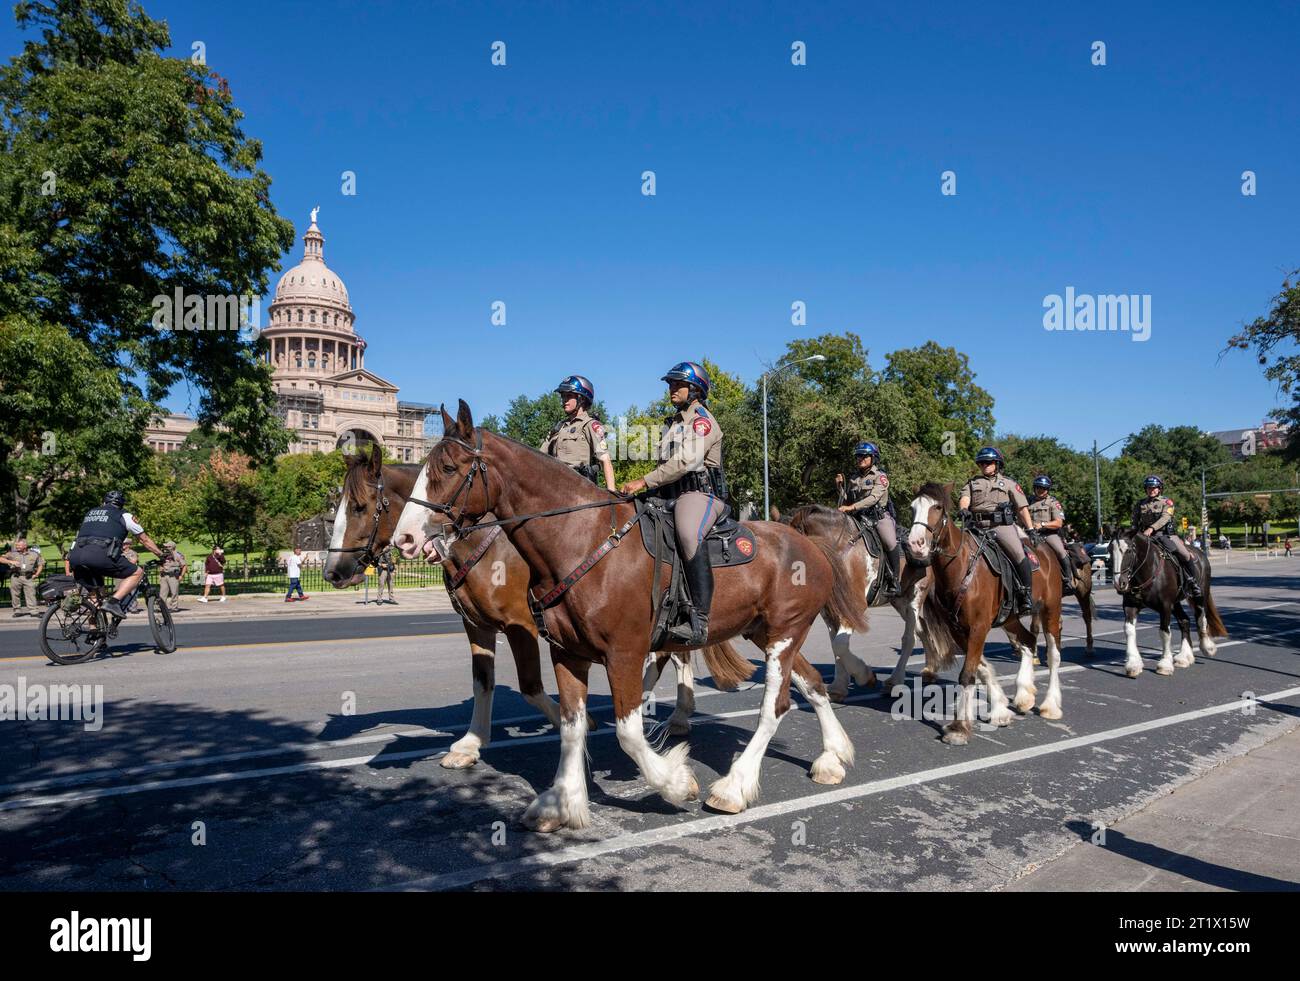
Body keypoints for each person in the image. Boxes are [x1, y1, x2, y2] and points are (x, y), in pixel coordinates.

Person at [621, 361, 726, 645]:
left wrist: (643, 481)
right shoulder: (673, 424)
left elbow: (685, 462)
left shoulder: (702, 421)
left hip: (698, 496)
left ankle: (700, 620)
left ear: (695, 389)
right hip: (668, 495)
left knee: (687, 533)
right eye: (670, 384)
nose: (671, 389)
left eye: (677, 384)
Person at [66, 491, 163, 621]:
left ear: (104, 502)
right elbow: (144, 540)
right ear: (121, 504)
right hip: (99, 555)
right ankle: (114, 602)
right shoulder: (124, 515)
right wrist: (161, 555)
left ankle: (96, 634)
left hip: (76, 556)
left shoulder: (90, 513)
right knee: (138, 573)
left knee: (95, 599)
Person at [958, 447, 1034, 612]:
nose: (984, 465)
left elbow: (1022, 508)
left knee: (1019, 554)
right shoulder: (972, 483)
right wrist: (964, 508)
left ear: (997, 464)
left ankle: (1026, 593)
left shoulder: (1009, 483)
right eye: (982, 462)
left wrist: (1031, 529)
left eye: (989, 462)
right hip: (976, 527)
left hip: (1000, 527)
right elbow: (965, 498)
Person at [836, 441, 901, 596]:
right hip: (859, 517)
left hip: (878, 517)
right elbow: (846, 501)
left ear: (873, 458)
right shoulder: (854, 478)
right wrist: (839, 488)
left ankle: (894, 580)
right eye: (858, 456)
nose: (860, 459)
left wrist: (851, 507)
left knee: (890, 542)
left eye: (864, 456)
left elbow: (873, 498)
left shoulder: (880, 477)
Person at [539, 375, 618, 490]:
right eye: (563, 396)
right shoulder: (558, 428)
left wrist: (612, 495)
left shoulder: (591, 425)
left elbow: (605, 460)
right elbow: (540, 456)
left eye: (569, 396)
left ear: (582, 399)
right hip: (554, 487)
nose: (564, 400)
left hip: (579, 490)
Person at [1132, 475, 1202, 599]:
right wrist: (1132, 534)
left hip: (1165, 535)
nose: (1151, 490)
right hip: (1145, 536)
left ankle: (1193, 583)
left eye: (1154, 488)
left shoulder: (1166, 502)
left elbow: (1165, 518)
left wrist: (1151, 528)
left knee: (1185, 555)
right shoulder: (1140, 504)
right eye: (1149, 488)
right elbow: (1135, 522)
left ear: (1159, 489)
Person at [1027, 475, 1074, 594]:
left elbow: (1059, 523)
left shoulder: (1053, 502)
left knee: (1060, 551)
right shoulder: (1028, 501)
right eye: (1038, 488)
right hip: (1030, 534)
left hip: (1048, 535)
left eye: (1043, 488)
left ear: (1048, 489)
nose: (1040, 490)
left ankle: (1068, 579)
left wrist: (1042, 524)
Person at [1, 537, 46, 617]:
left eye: (19, 545)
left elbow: (41, 564)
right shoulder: (12, 553)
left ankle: (34, 611)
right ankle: (17, 611)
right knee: (15, 594)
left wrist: (37, 574)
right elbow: (1, 559)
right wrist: (11, 561)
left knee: (31, 594)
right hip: (16, 576)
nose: (17, 547)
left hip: (28, 577)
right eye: (16, 545)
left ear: (25, 546)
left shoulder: (34, 554)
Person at [158, 541, 187, 611]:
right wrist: (160, 569)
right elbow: (161, 564)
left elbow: (184, 566)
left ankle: (174, 607)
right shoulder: (164, 554)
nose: (166, 548)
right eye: (166, 546)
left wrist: (181, 576)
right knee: (162, 593)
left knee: (174, 592)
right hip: (164, 576)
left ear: (173, 547)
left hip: (173, 576)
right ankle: (162, 607)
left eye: (168, 546)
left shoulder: (178, 555)